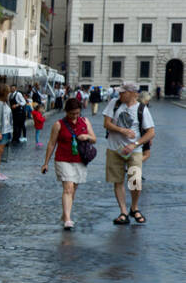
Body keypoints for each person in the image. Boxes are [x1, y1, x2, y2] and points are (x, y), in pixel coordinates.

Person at [103, 82, 155, 224]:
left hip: (134, 150)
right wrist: (122, 130)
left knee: (135, 182)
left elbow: (151, 132)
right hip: (115, 148)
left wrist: (135, 144)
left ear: (132, 93)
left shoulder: (142, 109)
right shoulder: (114, 103)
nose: (119, 95)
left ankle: (134, 207)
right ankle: (123, 211)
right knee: (118, 180)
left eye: (122, 92)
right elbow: (106, 124)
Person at [41, 98, 96, 230]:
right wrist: (46, 163)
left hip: (80, 160)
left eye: (77, 113)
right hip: (63, 159)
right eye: (72, 113)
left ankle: (65, 214)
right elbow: (51, 143)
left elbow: (94, 139)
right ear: (66, 112)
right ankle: (67, 219)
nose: (75, 116)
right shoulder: (58, 124)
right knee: (68, 188)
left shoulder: (85, 121)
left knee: (73, 189)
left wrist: (86, 137)